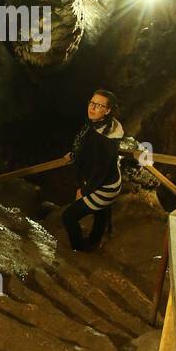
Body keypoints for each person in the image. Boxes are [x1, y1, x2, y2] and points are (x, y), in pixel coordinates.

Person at [60, 89, 124, 252]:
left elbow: (100, 170)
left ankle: (79, 249)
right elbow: (86, 148)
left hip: (105, 187)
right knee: (101, 211)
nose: (92, 108)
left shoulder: (104, 140)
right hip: (110, 179)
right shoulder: (101, 124)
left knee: (68, 217)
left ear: (107, 110)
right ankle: (95, 241)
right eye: (91, 102)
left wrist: (85, 191)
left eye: (98, 105)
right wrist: (75, 154)